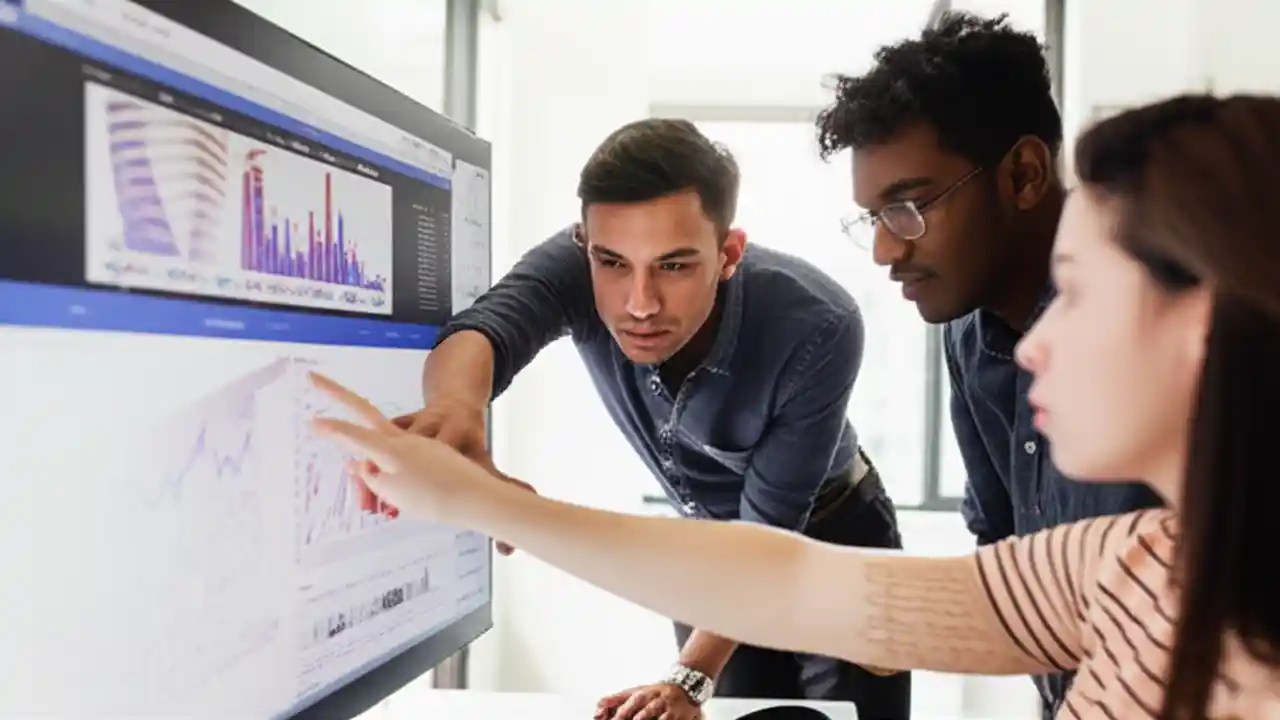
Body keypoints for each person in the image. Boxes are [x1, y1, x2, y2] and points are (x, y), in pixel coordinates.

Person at [313, 93, 1280, 719]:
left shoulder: (815, 321)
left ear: (1202, 321)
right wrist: (475, 490)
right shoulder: (1129, 560)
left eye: (1077, 290)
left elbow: (796, 556)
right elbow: (801, 588)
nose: (1030, 344)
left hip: (823, 521)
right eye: (613, 265)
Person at [393, 117, 911, 719]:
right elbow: (485, 330)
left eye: (674, 266)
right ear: (585, 243)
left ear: (728, 254)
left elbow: (768, 538)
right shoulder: (576, 262)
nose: (639, 304)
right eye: (612, 262)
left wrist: (689, 679)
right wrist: (455, 411)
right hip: (711, 551)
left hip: (835, 537)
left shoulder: (820, 322)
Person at [812, 13, 1165, 715]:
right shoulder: (968, 333)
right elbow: (1007, 550)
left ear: (1025, 174)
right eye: (873, 218)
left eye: (909, 207)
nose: (886, 251)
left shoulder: (1160, 322)